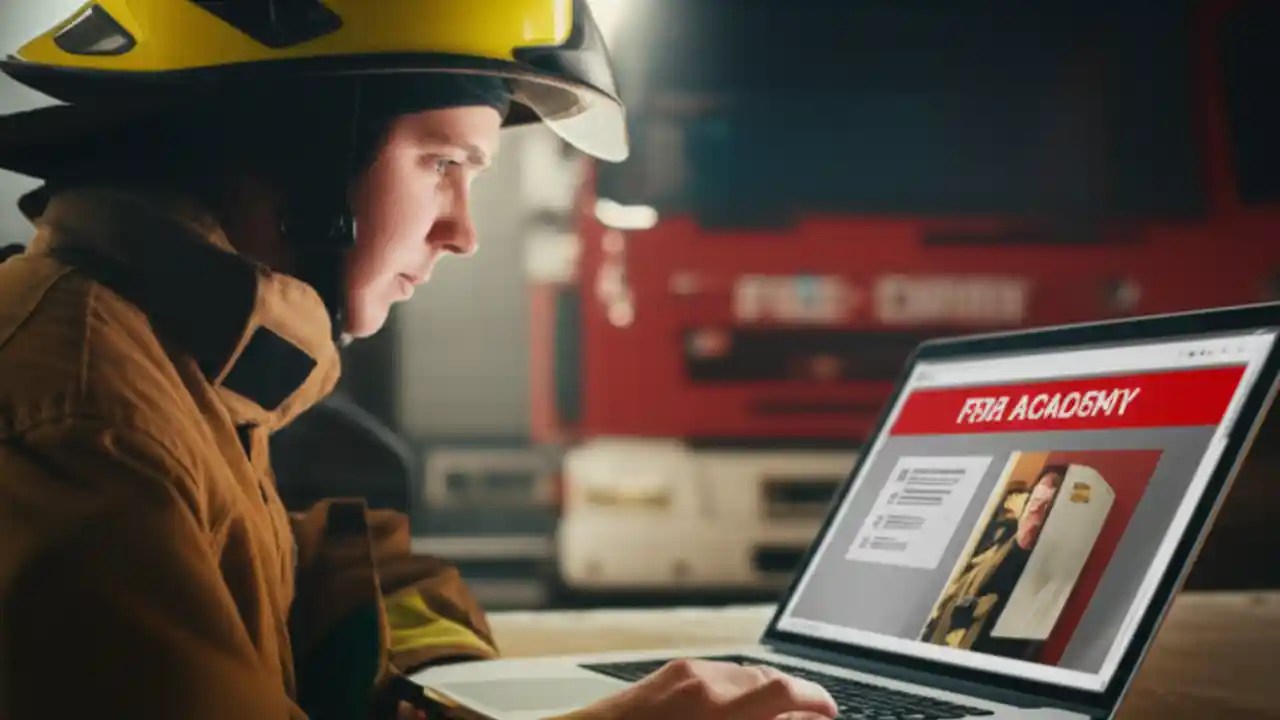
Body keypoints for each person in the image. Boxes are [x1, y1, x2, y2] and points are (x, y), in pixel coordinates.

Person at [0, 2, 836, 719]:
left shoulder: (189, 373)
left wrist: (443, 681)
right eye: (443, 164)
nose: (463, 232)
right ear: (301, 147)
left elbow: (311, 577)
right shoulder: (90, 424)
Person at [921, 467, 1065, 660]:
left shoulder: (1049, 569)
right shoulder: (1004, 538)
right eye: (1033, 504)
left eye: (1044, 509)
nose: (1034, 516)